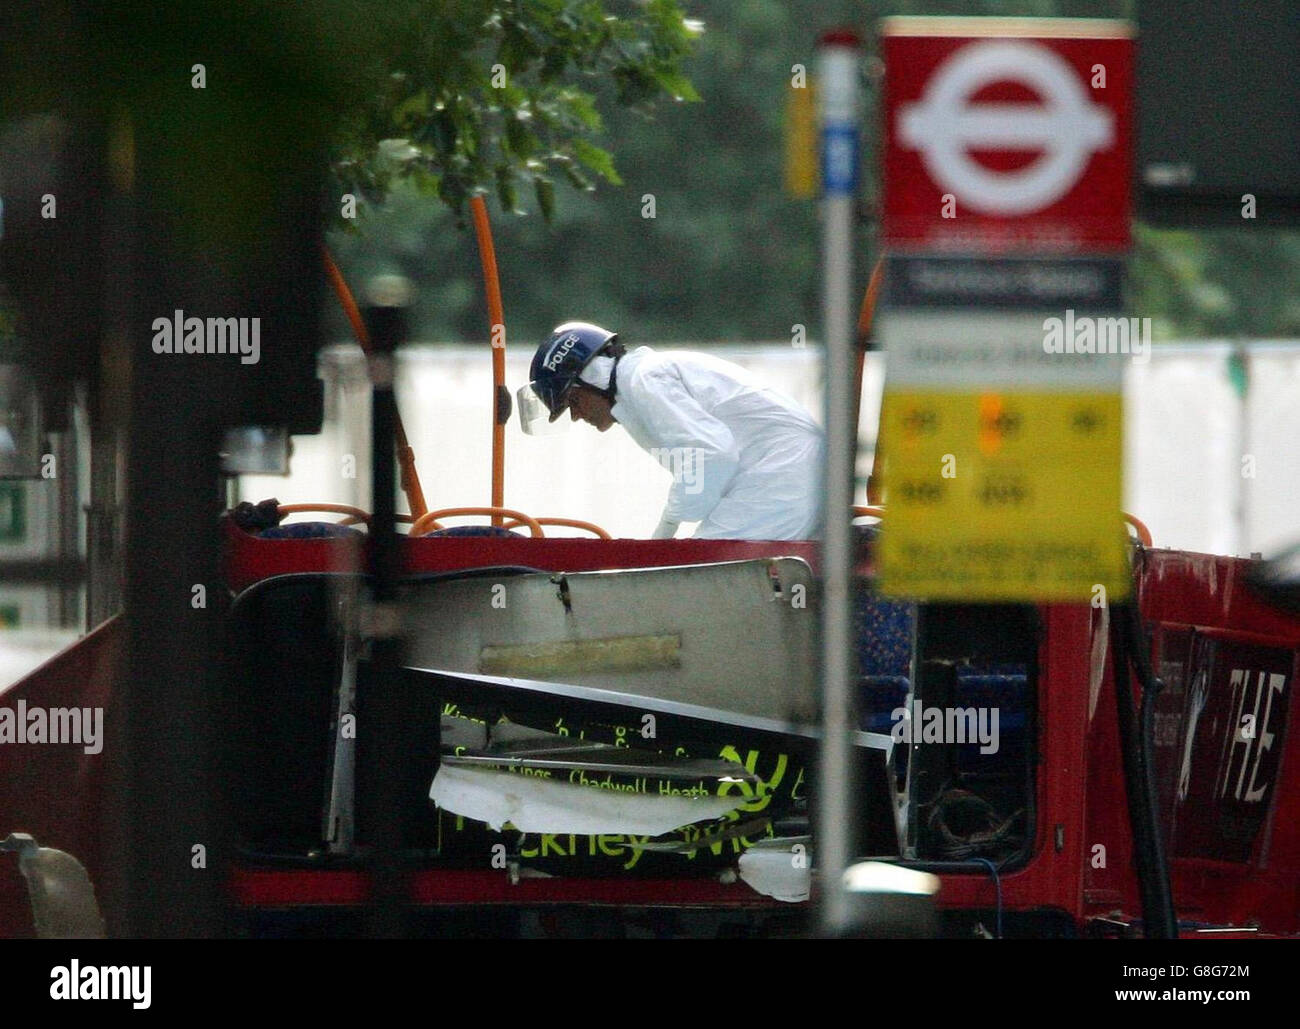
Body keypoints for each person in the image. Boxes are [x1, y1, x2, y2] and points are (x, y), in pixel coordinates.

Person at [519, 321, 823, 540]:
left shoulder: (644, 381)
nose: (574, 416)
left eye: (572, 401)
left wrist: (667, 526)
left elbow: (711, 456)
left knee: (705, 578)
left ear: (593, 377)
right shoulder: (642, 382)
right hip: (794, 472)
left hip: (783, 473)